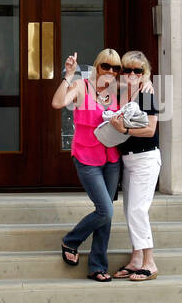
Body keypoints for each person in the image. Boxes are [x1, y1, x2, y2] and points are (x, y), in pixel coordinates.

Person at [52, 48, 122, 282]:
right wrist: (69, 75)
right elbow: (58, 102)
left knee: (107, 215)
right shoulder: (82, 86)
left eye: (116, 68)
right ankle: (71, 240)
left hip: (111, 158)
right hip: (86, 156)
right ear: (97, 65)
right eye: (106, 66)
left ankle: (98, 265)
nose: (110, 72)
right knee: (106, 210)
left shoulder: (114, 93)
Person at [110, 51, 160, 281]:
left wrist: (125, 130)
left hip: (145, 158)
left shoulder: (147, 95)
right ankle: (136, 259)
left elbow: (150, 129)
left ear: (144, 74)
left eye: (137, 71)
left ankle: (149, 262)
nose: (131, 74)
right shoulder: (121, 94)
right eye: (127, 70)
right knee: (130, 210)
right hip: (128, 159)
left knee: (137, 210)